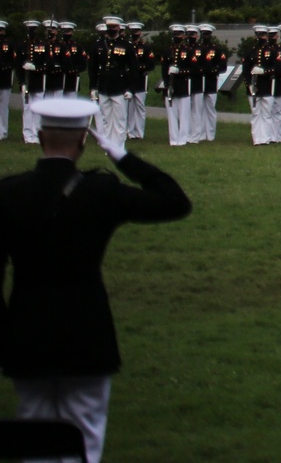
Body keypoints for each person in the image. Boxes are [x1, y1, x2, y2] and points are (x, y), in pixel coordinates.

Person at [0, 94, 192, 463]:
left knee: (32, 428)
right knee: (84, 433)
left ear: (40, 138)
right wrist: (122, 156)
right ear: (83, 142)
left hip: (27, 327)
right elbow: (173, 201)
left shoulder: (9, 194)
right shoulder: (100, 192)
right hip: (85, 327)